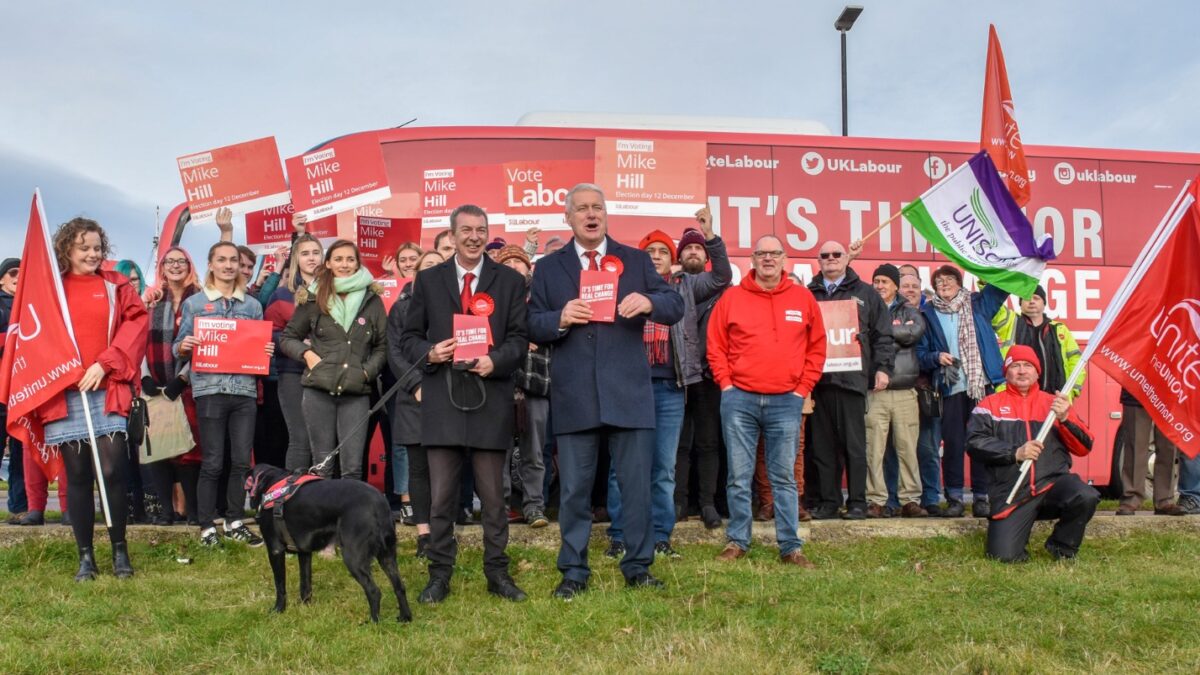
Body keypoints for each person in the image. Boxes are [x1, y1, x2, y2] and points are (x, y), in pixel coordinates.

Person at [529, 183, 684, 599]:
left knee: (636, 488)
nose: (590, 214)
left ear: (606, 214)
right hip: (574, 393)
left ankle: (638, 566)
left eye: (597, 207)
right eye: (581, 209)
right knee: (576, 492)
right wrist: (559, 318)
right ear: (568, 218)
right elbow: (531, 324)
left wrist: (649, 303)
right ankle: (574, 571)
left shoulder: (634, 260)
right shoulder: (547, 268)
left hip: (629, 393)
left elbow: (675, 304)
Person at [400, 205, 530, 605]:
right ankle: (439, 575)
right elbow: (408, 338)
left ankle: (497, 572)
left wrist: (497, 360)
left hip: (490, 396)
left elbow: (519, 339)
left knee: (494, 497)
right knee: (441, 498)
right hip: (442, 398)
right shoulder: (428, 280)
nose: (474, 236)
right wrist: (430, 352)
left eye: (481, 230)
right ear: (452, 235)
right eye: (466, 230)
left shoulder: (508, 280)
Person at [607, 208, 731, 557]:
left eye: (663, 251)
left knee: (663, 468)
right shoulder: (622, 286)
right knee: (622, 467)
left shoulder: (687, 286)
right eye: (651, 252)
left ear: (672, 259)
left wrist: (711, 237)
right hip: (628, 387)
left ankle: (661, 536)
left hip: (671, 389)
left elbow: (721, 277)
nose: (657, 257)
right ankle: (619, 535)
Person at [35, 218, 148, 580]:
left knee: (114, 469)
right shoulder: (50, 290)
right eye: (84, 247)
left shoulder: (115, 285)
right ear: (67, 249)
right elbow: (37, 336)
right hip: (66, 394)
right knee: (79, 474)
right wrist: (62, 371)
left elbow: (136, 324)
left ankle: (120, 551)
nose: (92, 253)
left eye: (97, 247)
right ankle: (86, 556)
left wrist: (105, 363)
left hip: (107, 388)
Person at [707, 235, 826, 566]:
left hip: (786, 401)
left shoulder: (803, 299)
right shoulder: (732, 298)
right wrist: (727, 385)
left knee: (784, 477)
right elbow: (715, 344)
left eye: (775, 253)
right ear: (753, 260)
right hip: (739, 399)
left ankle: (790, 547)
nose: (769, 259)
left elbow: (817, 346)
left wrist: (802, 389)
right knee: (738, 476)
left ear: (784, 260)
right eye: (762, 253)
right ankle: (737, 541)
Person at [174, 241, 272, 547]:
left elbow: (258, 349)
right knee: (213, 461)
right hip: (209, 390)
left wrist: (265, 349)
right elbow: (176, 347)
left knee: (241, 461)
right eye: (222, 260)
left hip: (243, 392)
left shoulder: (253, 306)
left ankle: (233, 520)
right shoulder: (195, 303)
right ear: (211, 264)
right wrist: (184, 346)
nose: (228, 265)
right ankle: (206, 525)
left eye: (233, 260)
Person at [967, 345, 1098, 562]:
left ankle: (1062, 548)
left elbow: (1084, 447)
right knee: (1003, 557)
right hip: (1012, 493)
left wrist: (1066, 418)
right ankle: (1017, 534)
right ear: (1006, 372)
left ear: (1037, 372)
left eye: (1028, 365)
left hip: (1052, 485)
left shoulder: (1054, 405)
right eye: (1015, 366)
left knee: (1085, 495)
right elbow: (974, 443)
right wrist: (1014, 452)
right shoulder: (989, 405)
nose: (1021, 371)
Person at [280, 240, 387, 481]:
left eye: (350, 259)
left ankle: (351, 519)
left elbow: (382, 345)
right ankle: (322, 519)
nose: (345, 264)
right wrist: (308, 355)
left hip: (356, 392)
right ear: (328, 263)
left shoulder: (372, 300)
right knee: (322, 466)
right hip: (318, 390)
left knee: (352, 468)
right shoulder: (312, 298)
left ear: (358, 263)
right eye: (338, 259)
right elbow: (288, 338)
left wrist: (367, 372)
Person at [806, 241, 895, 520]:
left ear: (847, 259)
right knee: (821, 447)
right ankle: (829, 501)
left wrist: (882, 368)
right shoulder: (808, 294)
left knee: (854, 446)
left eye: (836, 254)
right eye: (825, 255)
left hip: (852, 380)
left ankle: (857, 501)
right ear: (818, 261)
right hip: (817, 381)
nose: (831, 258)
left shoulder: (866, 293)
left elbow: (883, 335)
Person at [916, 265, 1009, 518]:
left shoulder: (979, 303)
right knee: (954, 443)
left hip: (981, 385)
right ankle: (955, 498)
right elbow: (921, 355)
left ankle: (982, 497)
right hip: (951, 386)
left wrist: (983, 266)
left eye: (949, 279)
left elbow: (1000, 288)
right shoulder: (927, 313)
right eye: (939, 281)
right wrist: (937, 356)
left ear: (959, 282)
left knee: (981, 443)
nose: (943, 284)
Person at [673, 218, 734, 529]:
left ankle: (708, 503)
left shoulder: (713, 284)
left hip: (709, 376)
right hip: (676, 376)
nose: (693, 252)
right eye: (688, 249)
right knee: (679, 444)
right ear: (679, 257)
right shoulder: (672, 284)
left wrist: (710, 235)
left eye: (699, 248)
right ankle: (679, 502)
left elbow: (724, 272)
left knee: (709, 442)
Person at [141, 247, 204, 526]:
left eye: (182, 261)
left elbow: (208, 343)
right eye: (170, 261)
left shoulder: (201, 299)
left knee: (189, 452)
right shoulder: (153, 302)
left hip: (189, 384)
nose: (176, 266)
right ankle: (166, 511)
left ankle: (192, 511)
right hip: (155, 385)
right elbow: (139, 341)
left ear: (190, 265)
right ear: (162, 267)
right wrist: (145, 377)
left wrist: (182, 379)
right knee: (159, 449)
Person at [387, 251, 444, 557]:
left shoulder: (456, 305)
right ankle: (424, 535)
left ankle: (443, 528)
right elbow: (394, 354)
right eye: (428, 267)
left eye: (440, 266)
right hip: (413, 397)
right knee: (419, 469)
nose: (434, 271)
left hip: (449, 394)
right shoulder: (401, 308)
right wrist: (416, 384)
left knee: (446, 468)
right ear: (417, 273)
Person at [495, 245, 550, 528]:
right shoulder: (491, 299)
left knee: (535, 452)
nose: (515, 267)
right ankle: (501, 507)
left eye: (520, 263)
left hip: (535, 383)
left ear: (530, 270)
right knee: (498, 451)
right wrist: (517, 342)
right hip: (499, 385)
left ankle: (534, 507)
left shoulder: (542, 300)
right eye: (509, 263)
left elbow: (553, 329)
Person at [865, 264, 926, 518]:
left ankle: (910, 499)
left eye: (885, 282)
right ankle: (875, 500)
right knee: (873, 448)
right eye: (876, 281)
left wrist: (880, 333)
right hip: (875, 391)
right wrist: (893, 335)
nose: (880, 286)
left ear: (895, 286)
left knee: (907, 448)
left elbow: (913, 333)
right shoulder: (866, 309)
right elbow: (862, 338)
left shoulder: (909, 308)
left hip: (904, 390)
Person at [265, 234, 324, 471]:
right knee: (300, 438)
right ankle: (292, 500)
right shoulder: (281, 295)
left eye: (316, 252)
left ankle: (322, 498)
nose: (311, 258)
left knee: (323, 441)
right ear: (295, 260)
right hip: (292, 374)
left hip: (328, 373)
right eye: (305, 253)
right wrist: (301, 346)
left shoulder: (336, 292)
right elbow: (271, 335)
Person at [994, 285, 1085, 402]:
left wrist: (1071, 391)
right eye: (1026, 298)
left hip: (1054, 400)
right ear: (1020, 304)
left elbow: (1077, 361)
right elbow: (994, 306)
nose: (1031, 301)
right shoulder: (1010, 322)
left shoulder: (1059, 329)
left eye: (1036, 298)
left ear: (1044, 303)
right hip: (1016, 399)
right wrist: (985, 282)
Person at [900, 273, 943, 515]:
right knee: (895, 449)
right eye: (905, 286)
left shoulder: (932, 317)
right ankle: (895, 500)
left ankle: (930, 497)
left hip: (926, 389)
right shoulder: (888, 315)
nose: (910, 290)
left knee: (927, 447)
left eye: (915, 286)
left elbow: (939, 349)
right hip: (897, 388)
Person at [1116, 389, 1184, 516]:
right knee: (1135, 445)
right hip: (1137, 388)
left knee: (1169, 447)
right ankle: (1131, 498)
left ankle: (1165, 500)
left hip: (1168, 390)